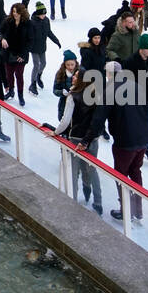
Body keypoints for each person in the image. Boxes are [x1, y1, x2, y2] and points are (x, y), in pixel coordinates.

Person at [52, 68, 106, 214]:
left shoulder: (73, 95)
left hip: (76, 138)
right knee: (92, 169)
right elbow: (98, 120)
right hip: (92, 139)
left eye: (76, 76)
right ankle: (98, 201)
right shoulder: (96, 95)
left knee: (73, 172)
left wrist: (55, 132)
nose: (73, 77)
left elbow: (66, 120)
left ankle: (73, 202)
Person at [106, 62, 148, 225]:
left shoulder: (110, 90)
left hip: (125, 142)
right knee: (136, 171)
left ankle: (126, 209)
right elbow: (147, 109)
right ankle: (137, 210)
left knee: (121, 175)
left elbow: (101, 115)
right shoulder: (136, 86)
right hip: (142, 139)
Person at [122, 32, 148, 165]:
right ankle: (136, 148)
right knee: (137, 124)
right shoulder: (130, 62)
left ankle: (146, 147)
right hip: (136, 99)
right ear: (141, 48)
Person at [29, 2, 61, 93]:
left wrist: (56, 41)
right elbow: (29, 36)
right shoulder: (32, 22)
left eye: (45, 14)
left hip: (42, 46)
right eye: (42, 14)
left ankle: (38, 76)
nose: (44, 16)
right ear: (38, 14)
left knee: (43, 63)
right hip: (34, 47)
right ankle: (33, 83)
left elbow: (49, 32)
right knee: (36, 65)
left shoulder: (46, 20)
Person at [53, 50, 79, 118]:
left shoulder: (80, 73)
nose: (70, 67)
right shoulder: (60, 73)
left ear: (75, 63)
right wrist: (62, 92)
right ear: (64, 64)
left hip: (77, 105)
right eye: (68, 65)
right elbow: (55, 90)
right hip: (64, 104)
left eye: (72, 64)